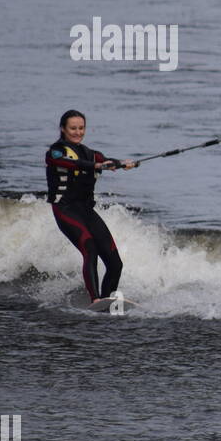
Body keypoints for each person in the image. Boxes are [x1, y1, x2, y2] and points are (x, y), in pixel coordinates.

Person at [46, 110, 137, 301]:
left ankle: (106, 301)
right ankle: (94, 299)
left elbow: (105, 161)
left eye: (81, 128)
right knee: (90, 249)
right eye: (73, 128)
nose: (78, 132)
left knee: (115, 263)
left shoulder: (92, 154)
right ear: (63, 129)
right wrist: (96, 166)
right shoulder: (55, 152)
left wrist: (122, 163)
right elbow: (71, 163)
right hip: (65, 209)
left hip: (86, 211)